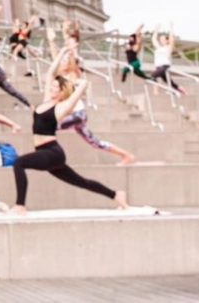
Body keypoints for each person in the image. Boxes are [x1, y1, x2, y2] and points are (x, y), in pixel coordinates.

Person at [10, 46, 128, 215]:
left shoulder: (61, 107)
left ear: (61, 91)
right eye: (51, 86)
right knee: (81, 182)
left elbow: (81, 88)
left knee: (18, 162)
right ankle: (116, 195)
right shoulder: (45, 102)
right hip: (46, 152)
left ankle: (20, 206)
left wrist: (77, 83)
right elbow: (51, 73)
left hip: (52, 152)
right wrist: (61, 53)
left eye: (55, 87)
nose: (51, 88)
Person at [47, 24, 136, 165]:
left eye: (64, 61)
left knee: (47, 126)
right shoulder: (60, 76)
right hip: (74, 115)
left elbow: (69, 59)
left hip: (77, 114)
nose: (61, 63)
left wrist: (68, 43)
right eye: (61, 61)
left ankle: (47, 158)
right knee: (95, 143)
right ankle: (127, 155)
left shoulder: (73, 74)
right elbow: (55, 59)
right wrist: (51, 41)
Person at [151, 22, 184, 93]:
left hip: (164, 66)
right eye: (160, 39)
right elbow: (153, 39)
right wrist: (156, 29)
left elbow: (172, 39)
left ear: (166, 40)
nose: (161, 41)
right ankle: (182, 90)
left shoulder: (168, 48)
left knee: (153, 76)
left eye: (163, 39)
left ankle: (155, 91)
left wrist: (171, 28)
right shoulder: (159, 48)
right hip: (158, 67)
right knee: (170, 82)